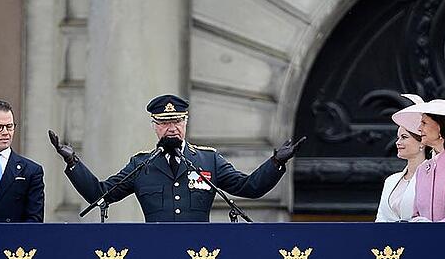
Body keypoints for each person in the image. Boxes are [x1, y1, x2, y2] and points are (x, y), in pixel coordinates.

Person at [49, 94, 304, 222]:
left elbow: (249, 188)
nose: (171, 128)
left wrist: (276, 163)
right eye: (164, 122)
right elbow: (100, 194)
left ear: (185, 122)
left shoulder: (208, 160)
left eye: (177, 121)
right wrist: (73, 163)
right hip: (155, 254)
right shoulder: (141, 165)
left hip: (201, 257)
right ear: (154, 126)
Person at [375, 125, 431, 222]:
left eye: (404, 137)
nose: (397, 142)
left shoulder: (433, 178)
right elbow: (380, 219)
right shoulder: (391, 180)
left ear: (422, 142)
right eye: (398, 138)